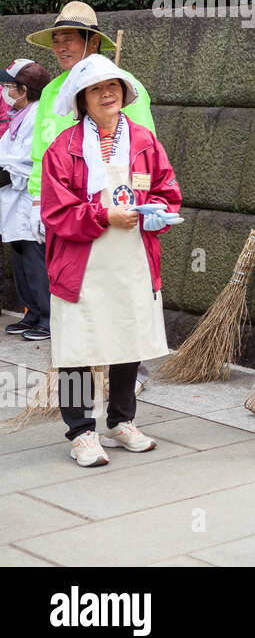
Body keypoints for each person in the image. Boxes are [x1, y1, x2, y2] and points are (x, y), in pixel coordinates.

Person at [42, 55, 182, 468]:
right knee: (74, 349)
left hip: (131, 255)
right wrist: (104, 215)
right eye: (97, 89)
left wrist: (155, 211)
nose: (107, 94)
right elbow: (56, 212)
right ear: (82, 99)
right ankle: (80, 431)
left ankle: (122, 421)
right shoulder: (62, 148)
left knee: (129, 336)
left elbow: (166, 190)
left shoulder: (143, 141)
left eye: (114, 87)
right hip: (80, 260)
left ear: (124, 93)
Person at [25, 2, 154, 245]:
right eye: (56, 40)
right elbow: (41, 153)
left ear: (93, 42)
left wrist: (143, 198)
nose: (61, 47)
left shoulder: (124, 87)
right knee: (69, 275)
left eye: (68, 39)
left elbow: (146, 151)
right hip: (65, 210)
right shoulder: (52, 91)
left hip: (118, 204)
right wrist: (37, 199)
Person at [0, 59, 53, 339]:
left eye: (9, 86)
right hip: (12, 200)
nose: (5, 91)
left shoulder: (37, 116)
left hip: (28, 198)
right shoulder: (16, 117)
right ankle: (31, 312)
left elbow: (31, 159)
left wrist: (7, 171)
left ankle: (47, 316)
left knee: (35, 260)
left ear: (24, 89)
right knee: (19, 260)